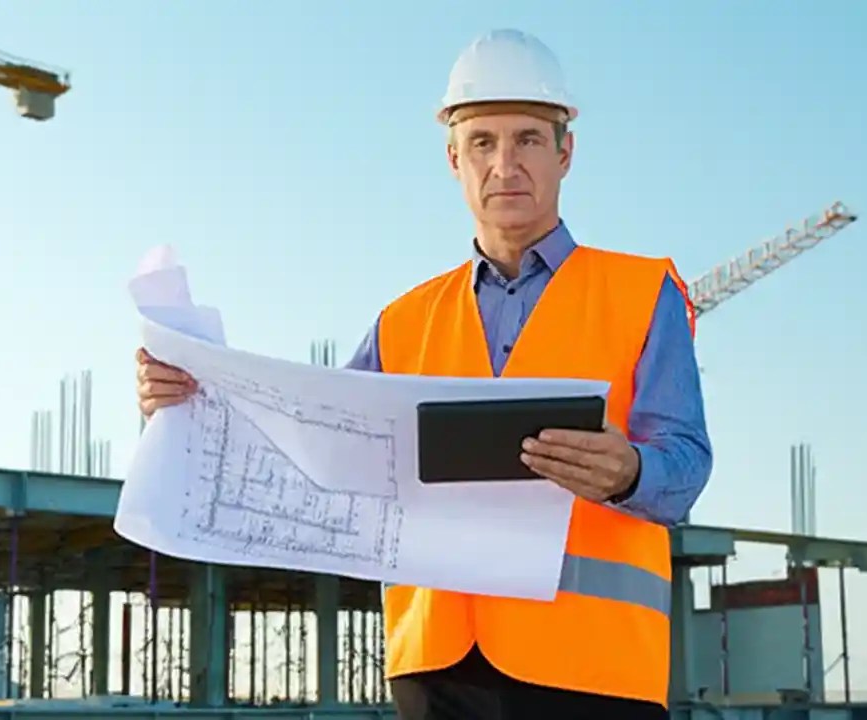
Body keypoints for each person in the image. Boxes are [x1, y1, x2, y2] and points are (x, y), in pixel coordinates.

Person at [135, 28, 711, 720]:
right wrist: (189, 404)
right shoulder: (402, 320)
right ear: (452, 159)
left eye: (528, 139)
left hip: (594, 669)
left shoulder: (643, 293)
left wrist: (630, 473)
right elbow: (309, 455)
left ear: (566, 152)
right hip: (435, 668)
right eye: (482, 143)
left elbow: (686, 464)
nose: (506, 166)